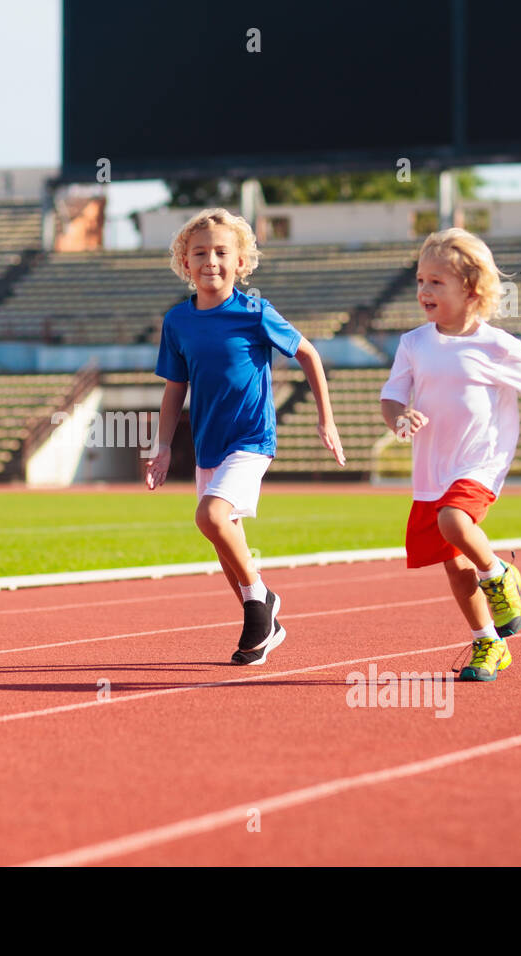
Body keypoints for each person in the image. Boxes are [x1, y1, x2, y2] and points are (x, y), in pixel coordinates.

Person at [146, 208, 346, 665]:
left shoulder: (254, 312)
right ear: (185, 261)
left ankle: (261, 600)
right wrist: (161, 447)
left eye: (221, 252)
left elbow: (309, 354)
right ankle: (261, 626)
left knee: (210, 516)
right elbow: (175, 388)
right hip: (208, 444)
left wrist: (326, 419)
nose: (210, 261)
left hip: (251, 439)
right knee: (223, 537)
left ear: (240, 262)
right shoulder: (177, 322)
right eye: (200, 253)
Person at [380, 227, 521, 682]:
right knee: (453, 564)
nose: (423, 290)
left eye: (436, 282)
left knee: (454, 522)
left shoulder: (498, 345)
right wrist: (399, 419)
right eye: (420, 280)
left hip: (480, 462)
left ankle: (500, 573)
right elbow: (391, 397)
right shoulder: (413, 343)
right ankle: (488, 642)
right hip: (432, 468)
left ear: (471, 289)